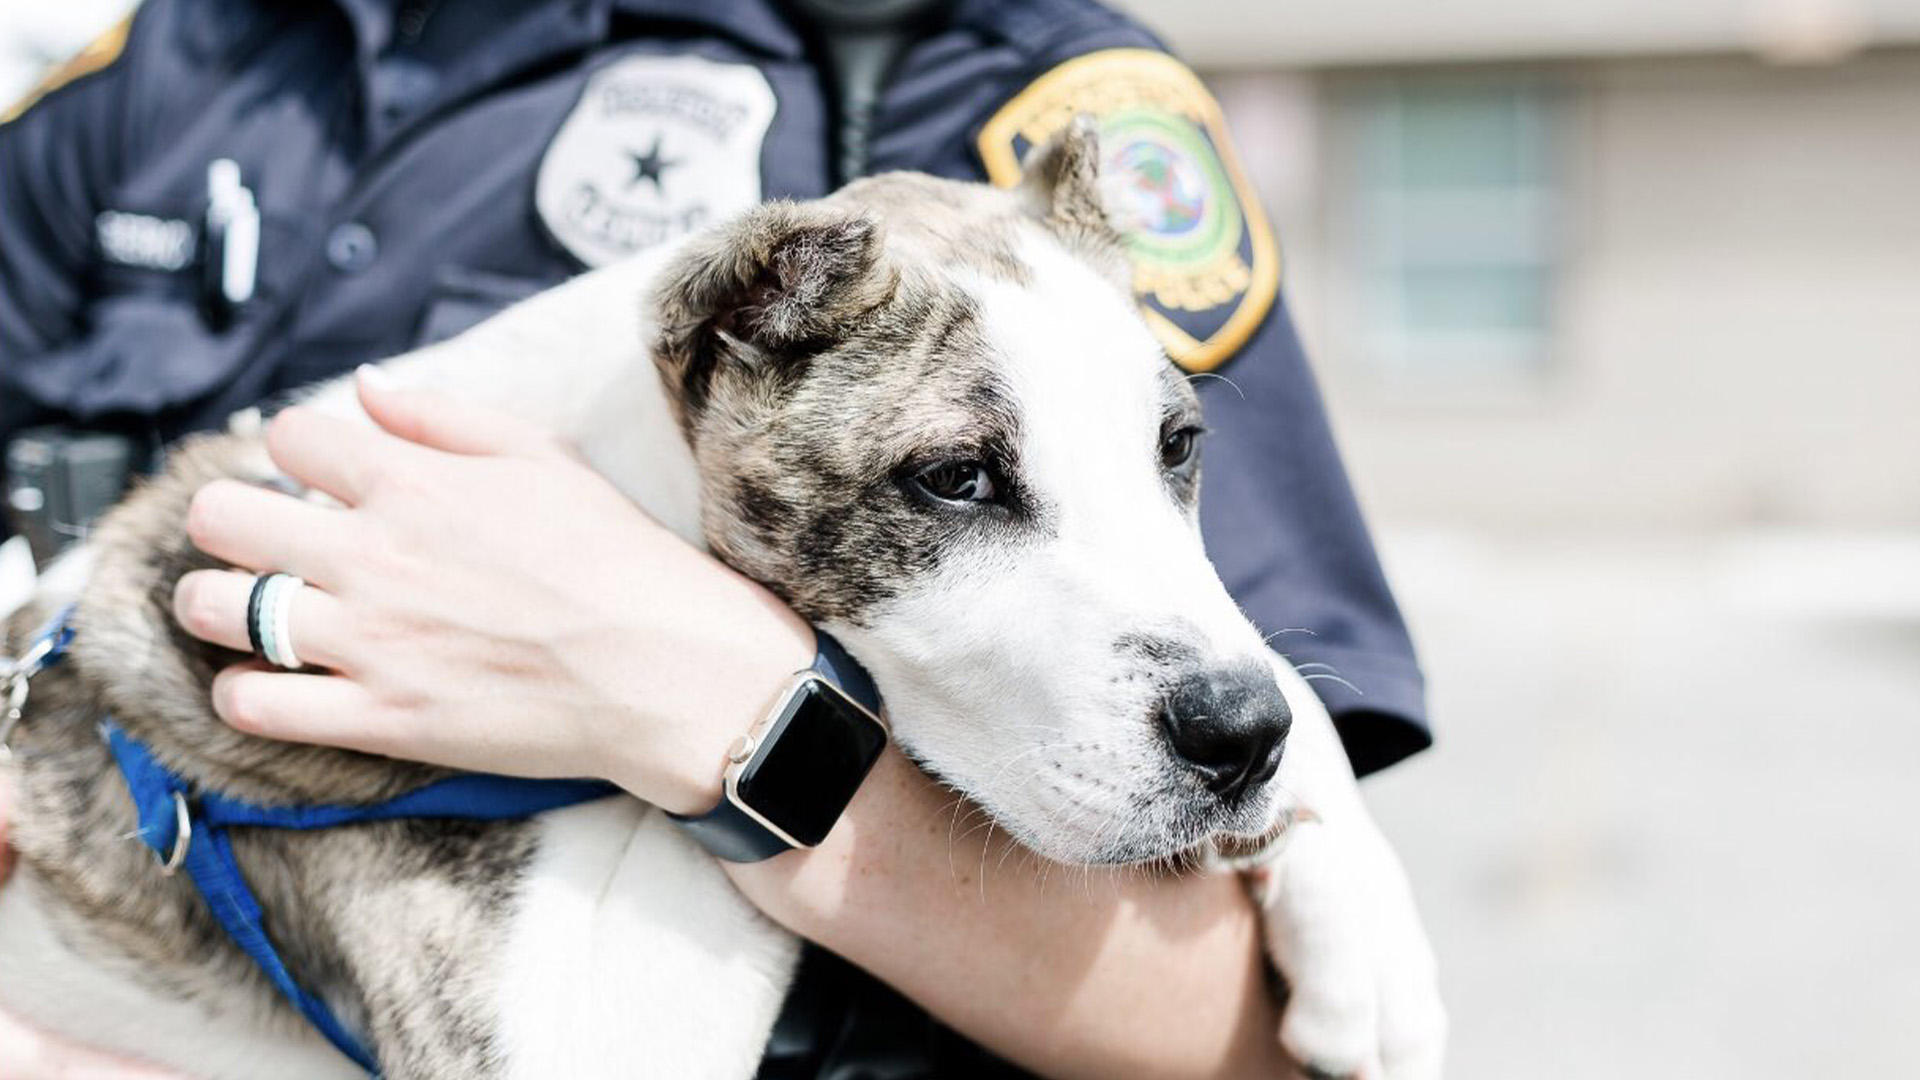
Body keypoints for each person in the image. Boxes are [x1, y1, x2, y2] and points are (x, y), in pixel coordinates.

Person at [0, 0, 1432, 1077]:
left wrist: (730, 718)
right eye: (955, 479)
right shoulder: (162, 72)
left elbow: (1253, 1035)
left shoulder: (950, 63)